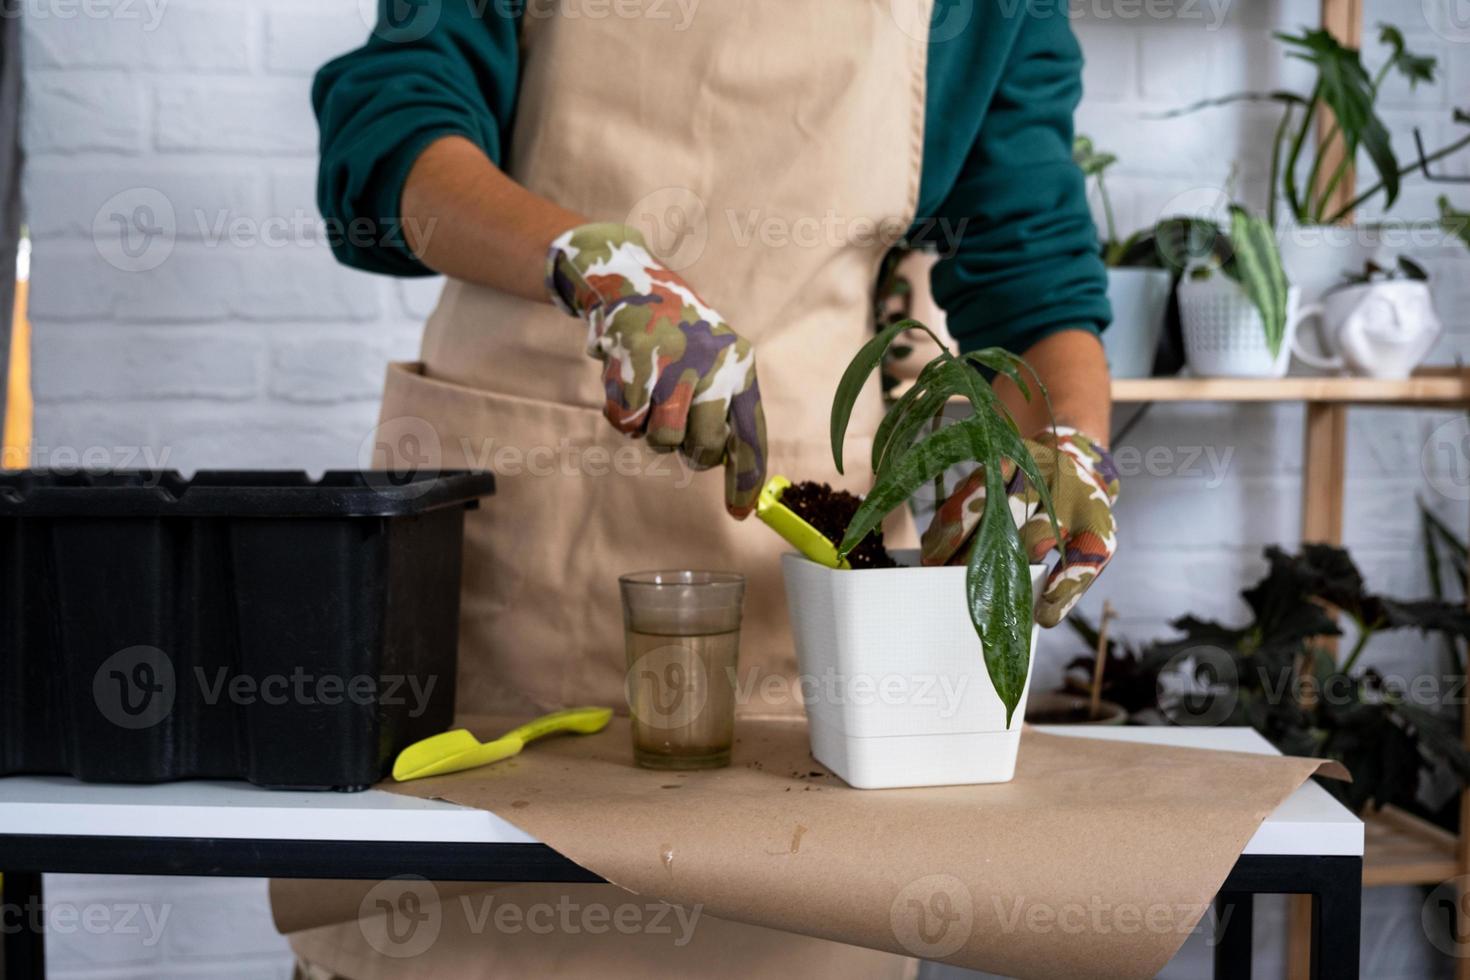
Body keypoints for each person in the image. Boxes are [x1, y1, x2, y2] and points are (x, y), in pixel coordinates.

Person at [287, 0, 1120, 975]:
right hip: (516, 537)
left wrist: (1067, 443)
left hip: (795, 546)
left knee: (788, 910)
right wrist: (600, 270)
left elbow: (1032, 271)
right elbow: (394, 129)